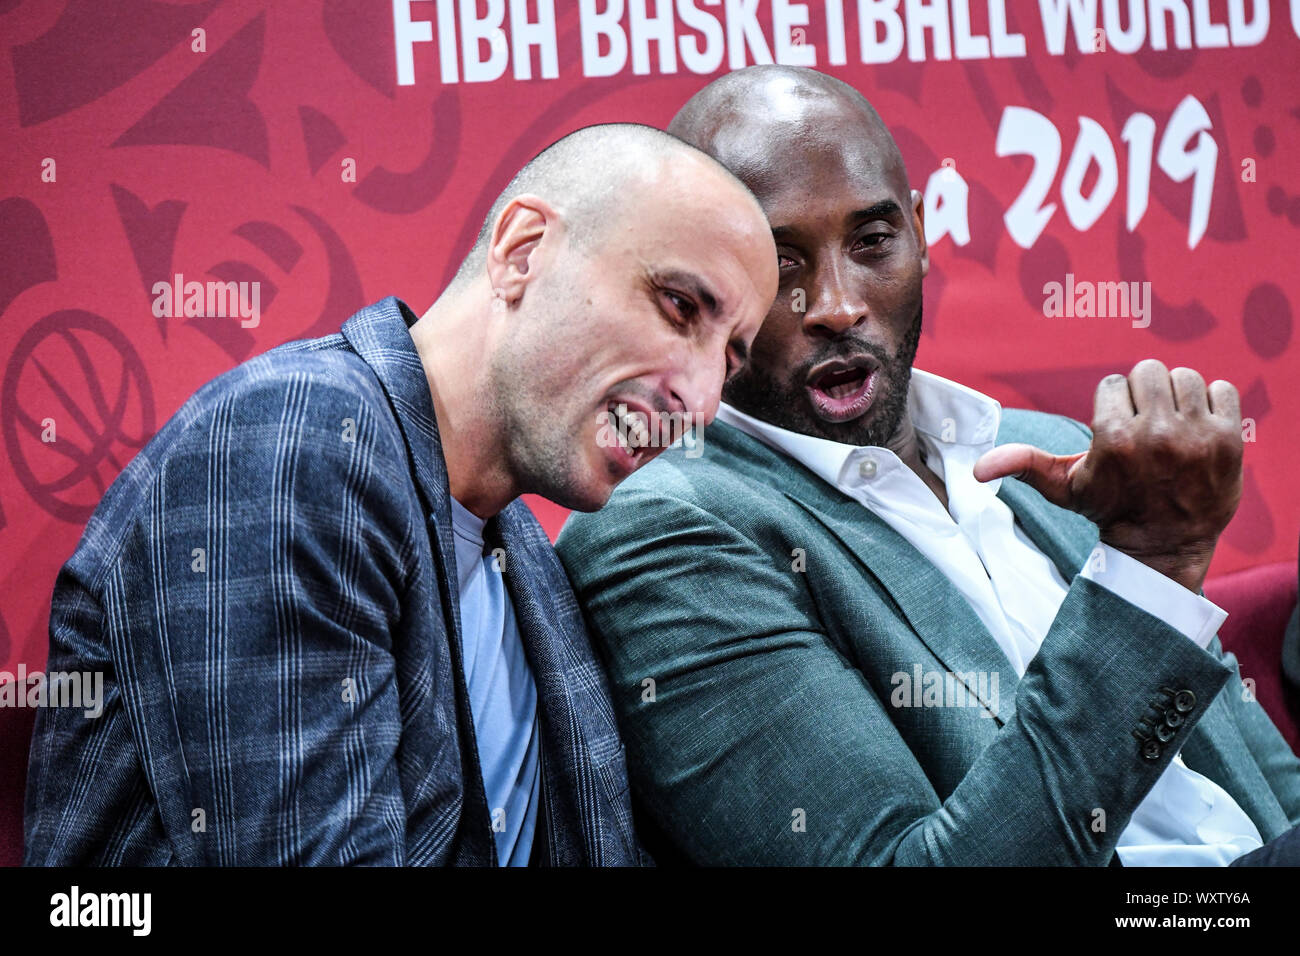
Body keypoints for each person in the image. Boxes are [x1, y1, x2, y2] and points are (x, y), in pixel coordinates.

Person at [556, 68, 1300, 866]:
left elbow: (1271, 792)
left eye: (872, 241)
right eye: (781, 264)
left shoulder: (1047, 448)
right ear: (694, 292)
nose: (838, 305)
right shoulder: (666, 530)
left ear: (919, 232)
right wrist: (1150, 569)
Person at [23, 123, 778, 866]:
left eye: (729, 360)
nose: (701, 398)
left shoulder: (522, 553)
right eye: (680, 306)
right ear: (523, 252)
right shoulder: (299, 433)